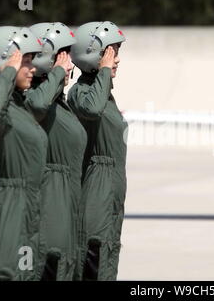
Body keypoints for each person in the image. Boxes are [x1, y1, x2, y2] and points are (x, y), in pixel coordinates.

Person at [0, 26, 44, 280]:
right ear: (5, 63)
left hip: (29, 208)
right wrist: (9, 72)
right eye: (25, 62)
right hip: (9, 210)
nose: (32, 69)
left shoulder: (20, 108)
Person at [26, 22, 87, 280]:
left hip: (67, 203)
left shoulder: (60, 104)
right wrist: (56, 73)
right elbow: (37, 104)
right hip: (49, 205)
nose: (69, 65)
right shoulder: (32, 99)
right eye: (62, 57)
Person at [67, 21, 127, 281]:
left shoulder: (104, 95)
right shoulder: (81, 91)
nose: (116, 60)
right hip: (96, 187)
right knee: (95, 250)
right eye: (111, 52)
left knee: (109, 249)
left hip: (111, 186)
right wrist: (103, 71)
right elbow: (91, 109)